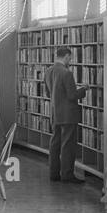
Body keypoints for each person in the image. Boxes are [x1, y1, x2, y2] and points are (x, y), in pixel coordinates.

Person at [43, 46, 81, 183]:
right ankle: (67, 175)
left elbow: (48, 93)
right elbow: (72, 95)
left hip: (55, 114)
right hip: (68, 115)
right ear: (66, 57)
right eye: (70, 58)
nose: (70, 60)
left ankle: (54, 174)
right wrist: (83, 90)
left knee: (55, 144)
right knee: (67, 145)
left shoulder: (48, 71)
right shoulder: (67, 73)